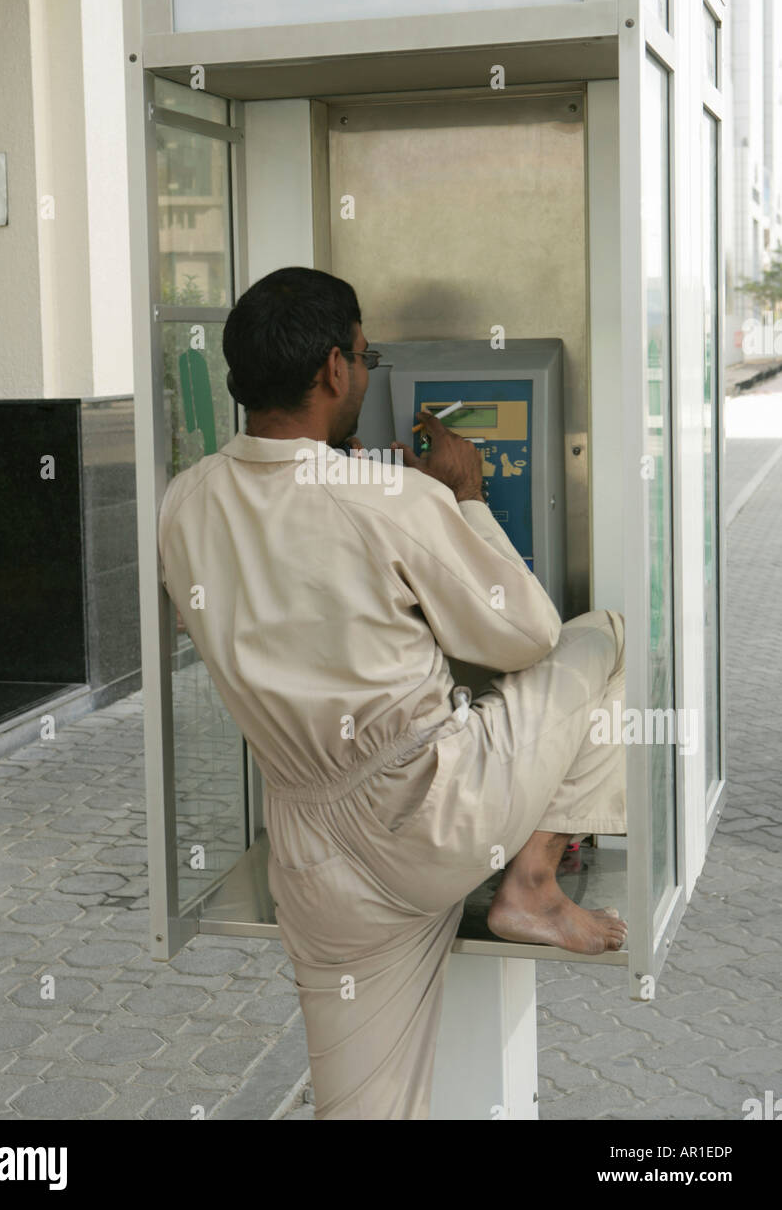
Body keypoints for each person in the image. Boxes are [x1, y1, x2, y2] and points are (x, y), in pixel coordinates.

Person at [158, 266, 627, 1120]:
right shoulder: (391, 498)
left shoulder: (182, 505)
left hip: (311, 856)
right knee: (604, 638)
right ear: (336, 370)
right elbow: (527, 635)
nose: (368, 376)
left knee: (363, 1110)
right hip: (436, 814)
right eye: (369, 358)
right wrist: (470, 495)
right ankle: (533, 887)